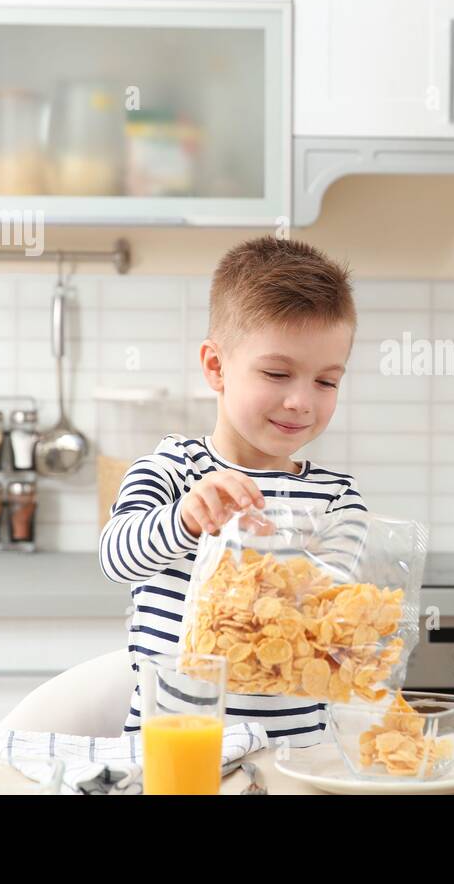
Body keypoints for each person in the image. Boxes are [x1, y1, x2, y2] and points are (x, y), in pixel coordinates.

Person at [99, 236, 366, 746]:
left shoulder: (337, 500)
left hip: (297, 761)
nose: (300, 402)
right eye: (277, 373)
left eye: (326, 382)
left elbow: (337, 622)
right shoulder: (173, 470)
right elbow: (116, 557)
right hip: (174, 755)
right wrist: (183, 519)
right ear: (216, 367)